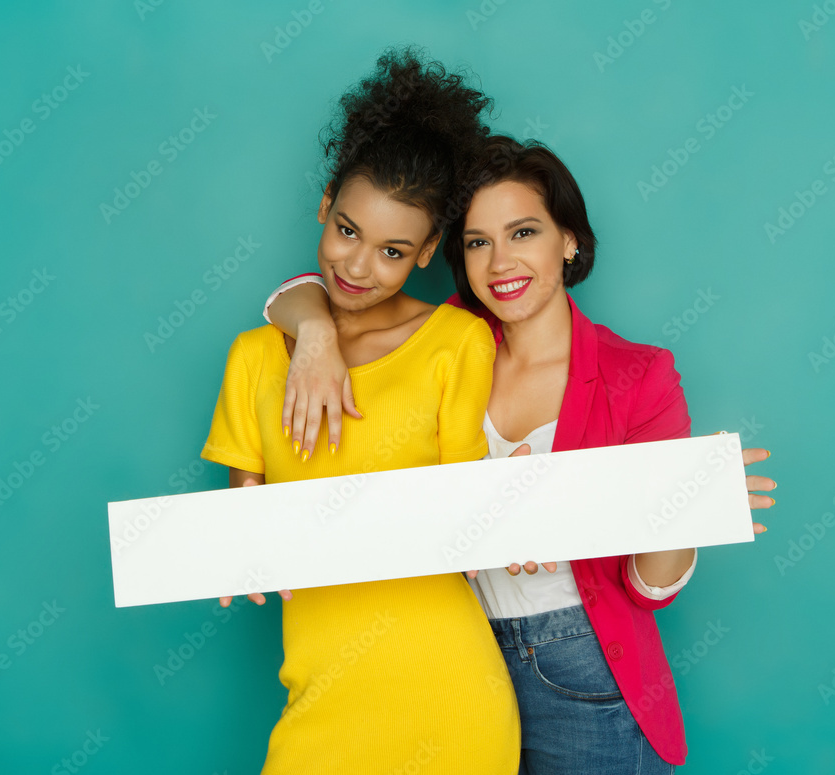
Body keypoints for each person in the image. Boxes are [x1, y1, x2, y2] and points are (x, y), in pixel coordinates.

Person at [263, 136, 776, 773]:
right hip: (448, 660)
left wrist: (680, 505)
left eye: (523, 232)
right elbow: (320, 288)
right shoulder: (441, 340)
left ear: (568, 240)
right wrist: (313, 332)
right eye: (478, 241)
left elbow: (649, 590)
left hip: (583, 672)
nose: (500, 261)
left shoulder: (638, 375)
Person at [200, 52, 520, 774]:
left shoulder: (458, 343)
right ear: (324, 205)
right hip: (319, 695)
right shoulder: (256, 357)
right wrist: (312, 333)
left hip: (451, 691)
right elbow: (243, 526)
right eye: (347, 230)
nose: (357, 266)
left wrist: (512, 501)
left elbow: (463, 517)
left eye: (393, 250)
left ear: (428, 252)